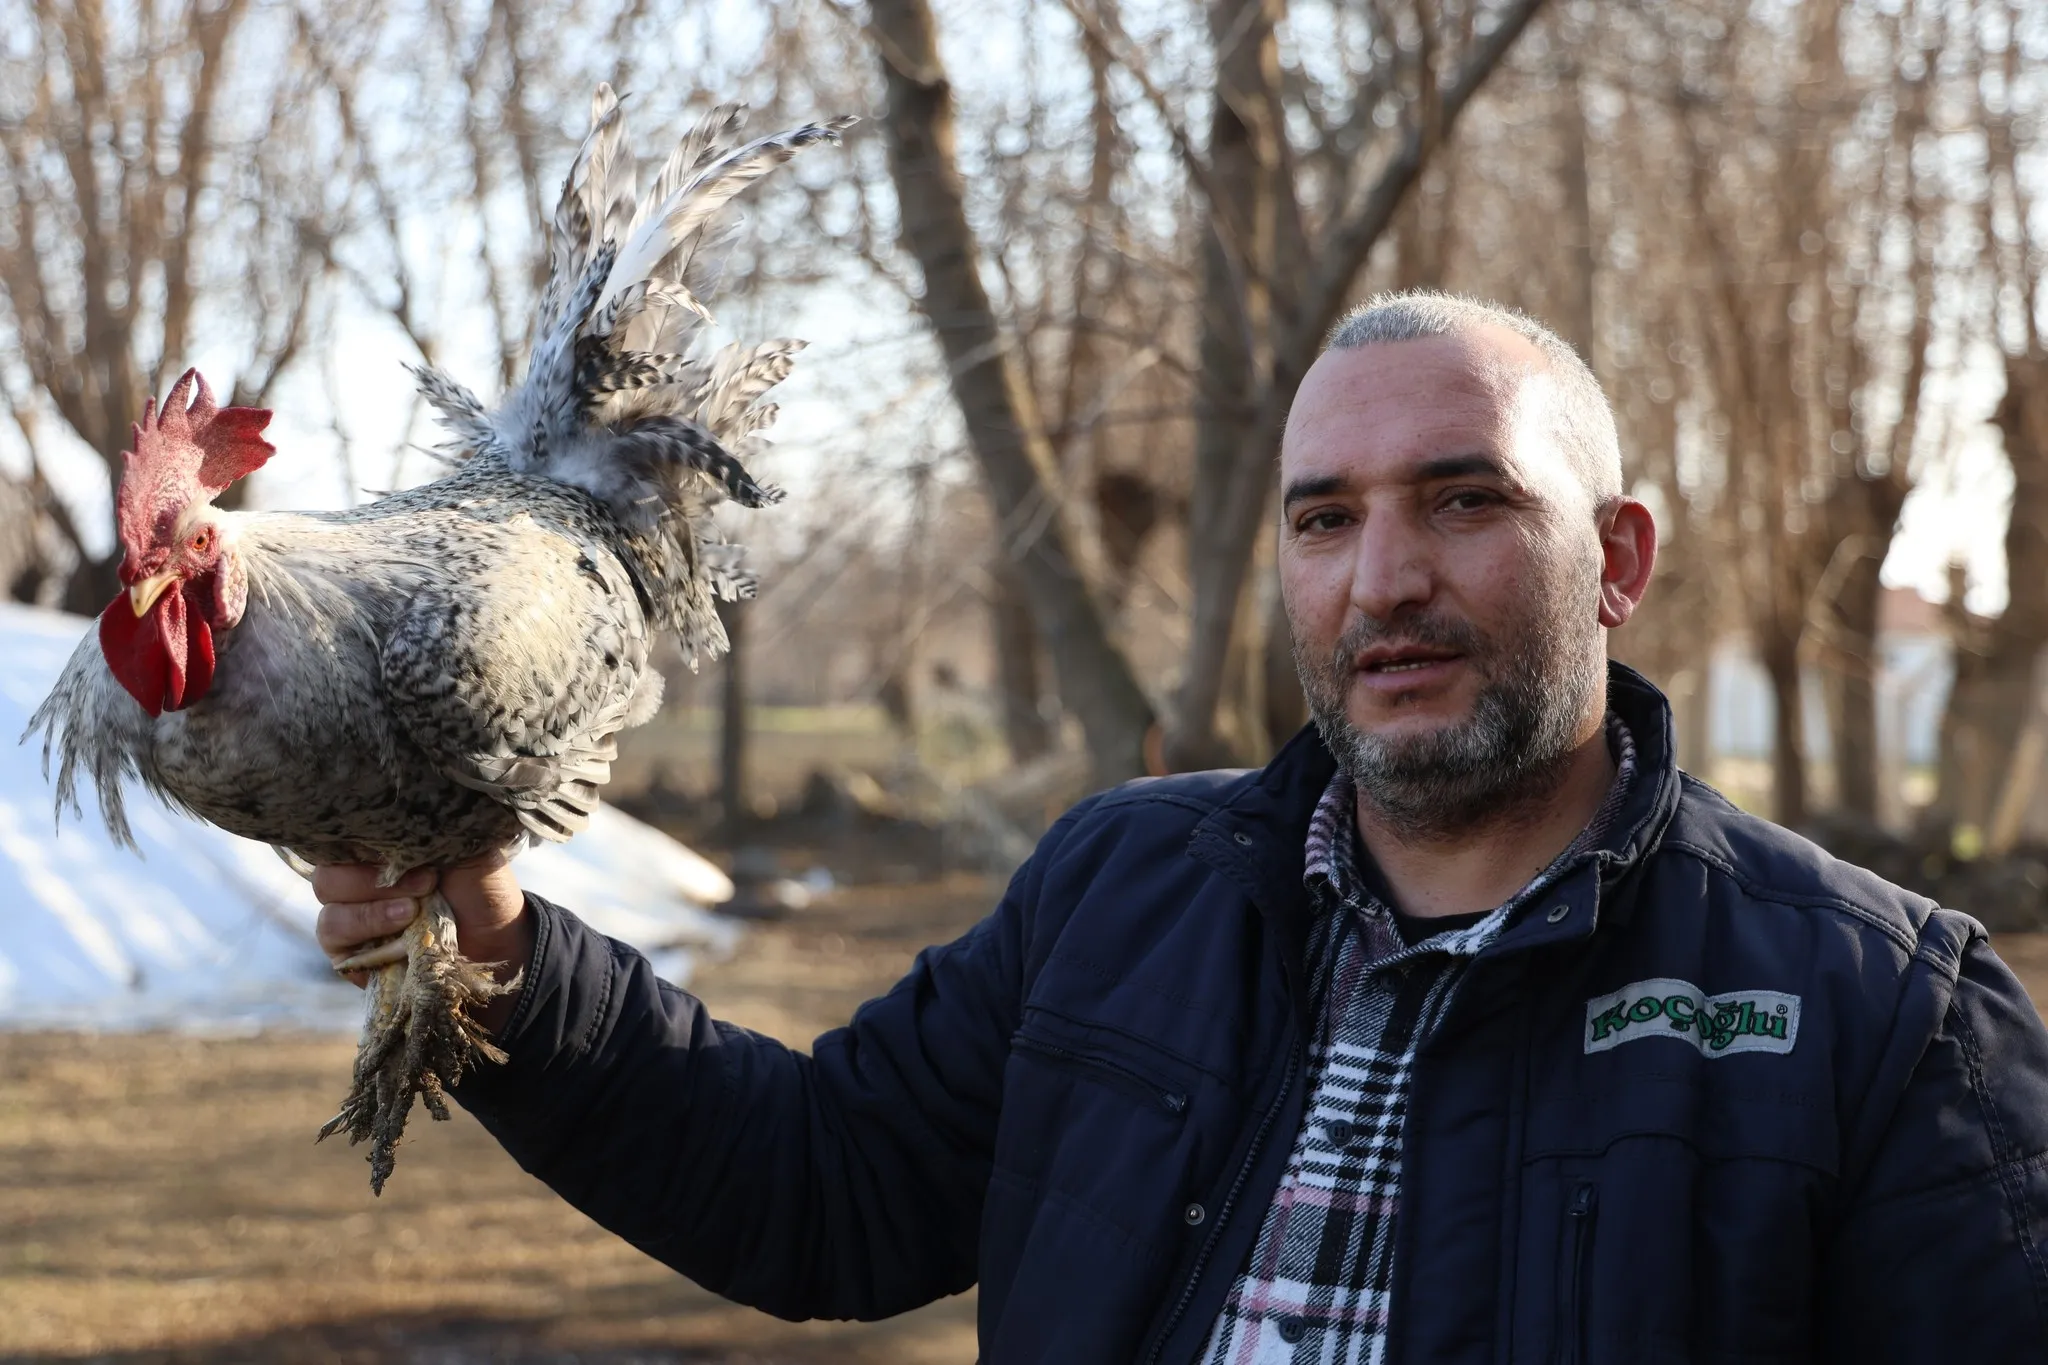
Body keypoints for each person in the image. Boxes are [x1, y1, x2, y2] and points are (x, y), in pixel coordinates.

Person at [317, 292, 2048, 1364]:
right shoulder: (1123, 888)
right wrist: (501, 960)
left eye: (1466, 501)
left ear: (1620, 561)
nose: (1385, 580)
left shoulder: (1884, 1020)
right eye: (1323, 520)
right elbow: (823, 1193)